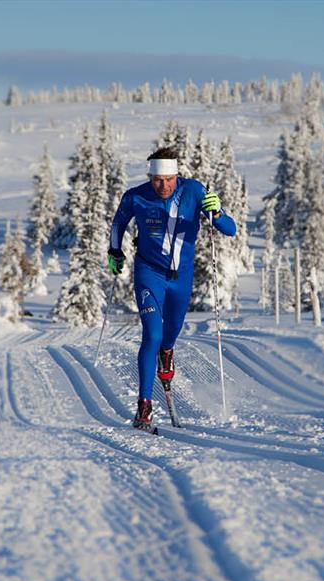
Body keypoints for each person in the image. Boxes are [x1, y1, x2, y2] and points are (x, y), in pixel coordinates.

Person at [107, 146, 236, 432]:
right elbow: (118, 223)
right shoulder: (136, 196)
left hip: (181, 279)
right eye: (157, 180)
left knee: (171, 331)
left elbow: (230, 229)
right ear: (150, 177)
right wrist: (114, 252)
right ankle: (144, 406)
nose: (163, 186)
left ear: (177, 175)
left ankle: (168, 350)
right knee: (151, 334)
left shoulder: (194, 191)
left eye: (168, 179)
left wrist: (217, 211)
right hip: (149, 274)